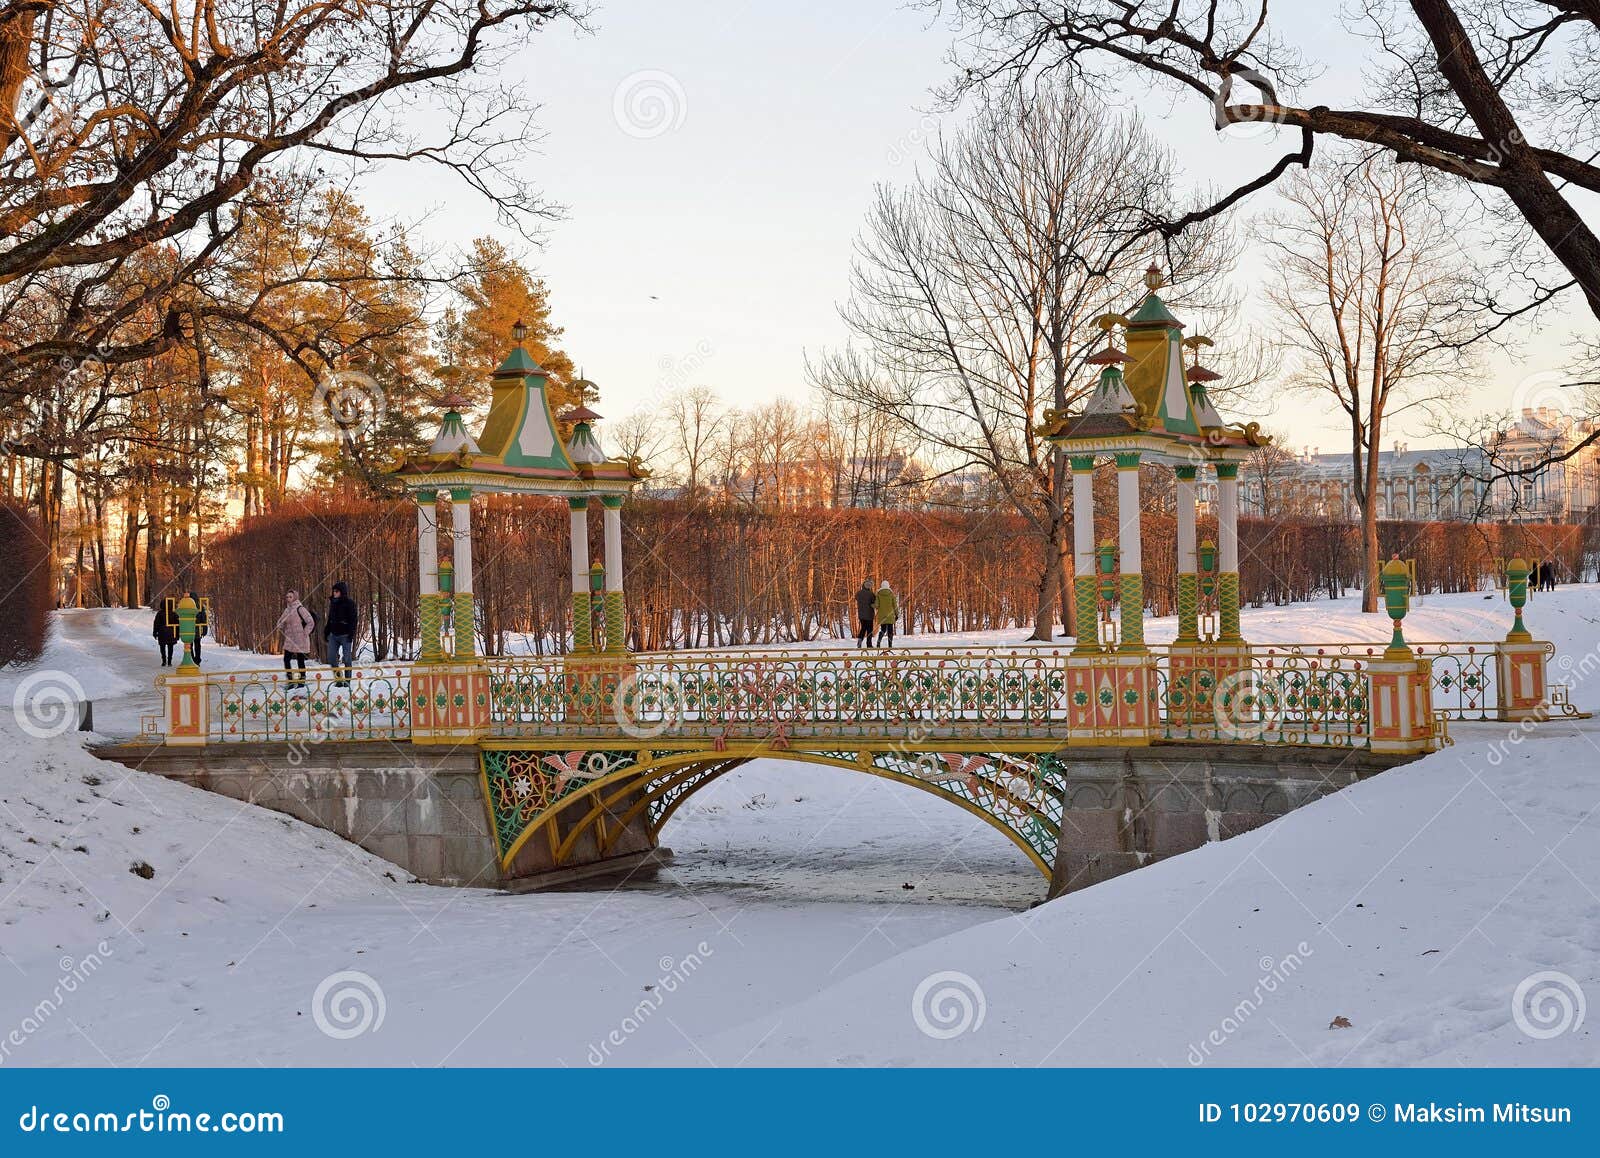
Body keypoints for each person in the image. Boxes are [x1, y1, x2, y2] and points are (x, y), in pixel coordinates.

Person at [275, 589, 316, 693]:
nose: (288, 599)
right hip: (290, 639)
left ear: (295, 598)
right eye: (287, 597)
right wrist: (279, 625)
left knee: (300, 660)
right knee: (286, 659)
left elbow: (310, 622)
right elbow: (280, 621)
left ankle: (302, 681)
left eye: (290, 597)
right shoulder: (287, 610)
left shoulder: (300, 608)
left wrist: (305, 633)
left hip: (300, 638)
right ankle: (291, 681)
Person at [325, 581, 358, 687]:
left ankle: (347, 681)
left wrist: (351, 634)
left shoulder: (350, 603)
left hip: (345, 635)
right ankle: (338, 679)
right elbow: (330, 618)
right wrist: (327, 630)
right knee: (331, 657)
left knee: (347, 658)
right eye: (333, 591)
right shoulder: (333, 602)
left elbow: (354, 620)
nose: (334, 593)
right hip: (333, 635)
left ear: (342, 592)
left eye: (337, 591)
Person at [151, 598, 177, 666]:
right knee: (170, 647)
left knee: (162, 647)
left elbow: (156, 623)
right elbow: (177, 624)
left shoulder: (160, 613)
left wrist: (155, 632)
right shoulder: (174, 613)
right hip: (171, 632)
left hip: (162, 632)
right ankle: (169, 661)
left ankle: (164, 660)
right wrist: (177, 634)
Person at [874, 580, 898, 649]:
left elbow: (876, 605)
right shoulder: (891, 594)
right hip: (890, 616)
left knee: (883, 630)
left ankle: (878, 642)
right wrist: (897, 614)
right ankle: (890, 645)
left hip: (882, 616)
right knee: (890, 631)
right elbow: (895, 606)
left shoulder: (878, 594)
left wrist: (871, 605)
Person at [854, 580, 876, 650]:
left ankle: (860, 641)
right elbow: (874, 603)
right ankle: (869, 644)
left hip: (861, 615)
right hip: (869, 615)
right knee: (869, 630)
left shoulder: (858, 593)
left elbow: (856, 598)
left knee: (863, 628)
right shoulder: (871, 594)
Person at [188, 590, 208, 664]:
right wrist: (204, 629)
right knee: (197, 645)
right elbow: (204, 618)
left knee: (189, 645)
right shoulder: (200, 606)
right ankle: (197, 660)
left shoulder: (187, 605)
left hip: (189, 629)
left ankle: (192, 659)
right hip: (198, 629)